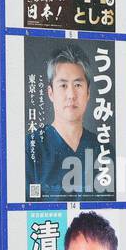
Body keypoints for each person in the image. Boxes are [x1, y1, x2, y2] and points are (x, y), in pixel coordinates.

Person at [26, 45, 107, 200]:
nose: (71, 95)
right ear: (51, 93)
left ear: (88, 92)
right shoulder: (31, 147)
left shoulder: (104, 149)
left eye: (78, 85)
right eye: (63, 85)